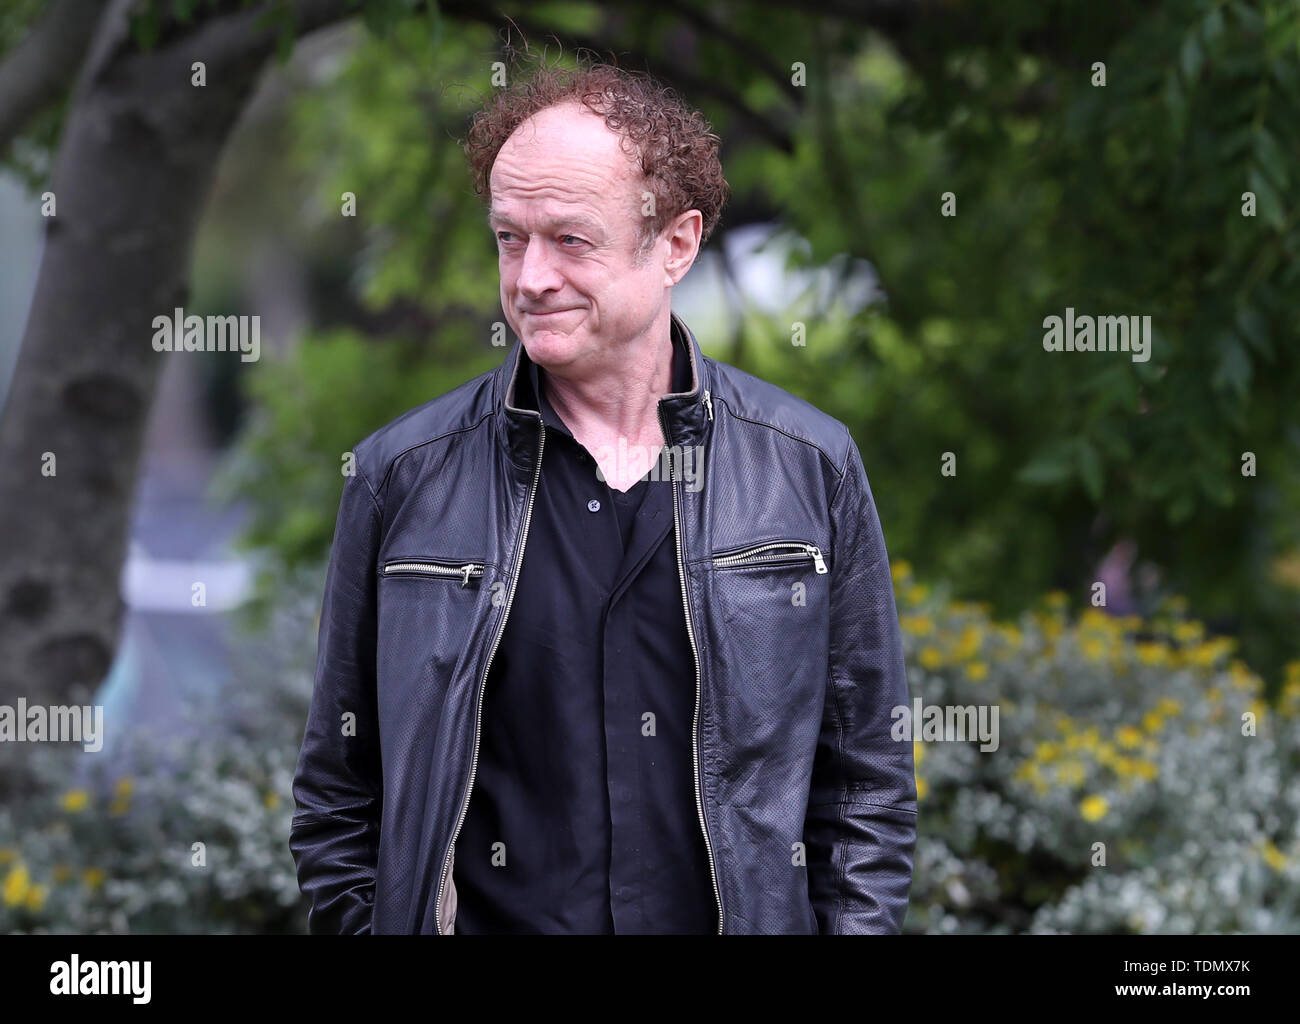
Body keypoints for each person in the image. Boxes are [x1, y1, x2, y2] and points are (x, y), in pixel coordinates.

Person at [289, 60, 916, 935]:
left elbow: (866, 791)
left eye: (570, 240)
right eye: (511, 238)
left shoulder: (808, 466)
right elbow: (337, 794)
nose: (531, 278)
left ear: (677, 245)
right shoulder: (402, 476)